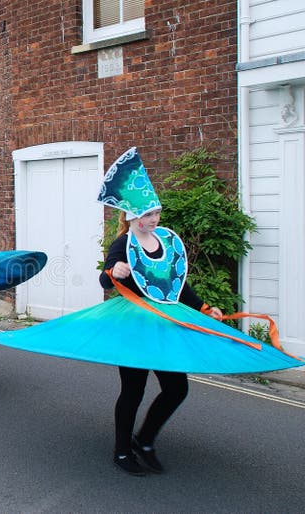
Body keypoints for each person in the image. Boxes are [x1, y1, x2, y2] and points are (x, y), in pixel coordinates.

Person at [97, 148, 223, 476]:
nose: (154, 219)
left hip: (165, 323)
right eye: (148, 214)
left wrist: (204, 308)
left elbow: (178, 283)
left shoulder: (165, 241)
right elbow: (105, 277)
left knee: (177, 388)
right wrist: (116, 272)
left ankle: (146, 439)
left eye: (156, 213)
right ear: (132, 216)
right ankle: (121, 451)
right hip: (136, 323)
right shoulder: (122, 244)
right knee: (133, 390)